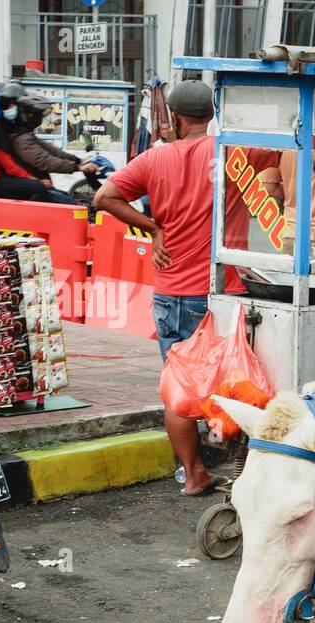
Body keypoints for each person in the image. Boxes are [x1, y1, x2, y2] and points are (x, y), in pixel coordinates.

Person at [94, 80, 222, 498]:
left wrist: (152, 228)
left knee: (179, 385)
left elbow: (104, 196)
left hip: (172, 291)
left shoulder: (155, 158)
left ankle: (194, 472)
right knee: (232, 378)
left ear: (177, 118)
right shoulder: (228, 152)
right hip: (219, 290)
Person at [6, 92, 98, 204]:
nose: (40, 118)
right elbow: (44, 160)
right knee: (76, 206)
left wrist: (78, 159)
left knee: (72, 201)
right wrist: (77, 167)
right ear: (30, 115)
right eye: (39, 115)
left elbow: (52, 150)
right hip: (33, 190)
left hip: (40, 186)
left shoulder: (26, 134)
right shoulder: (21, 139)